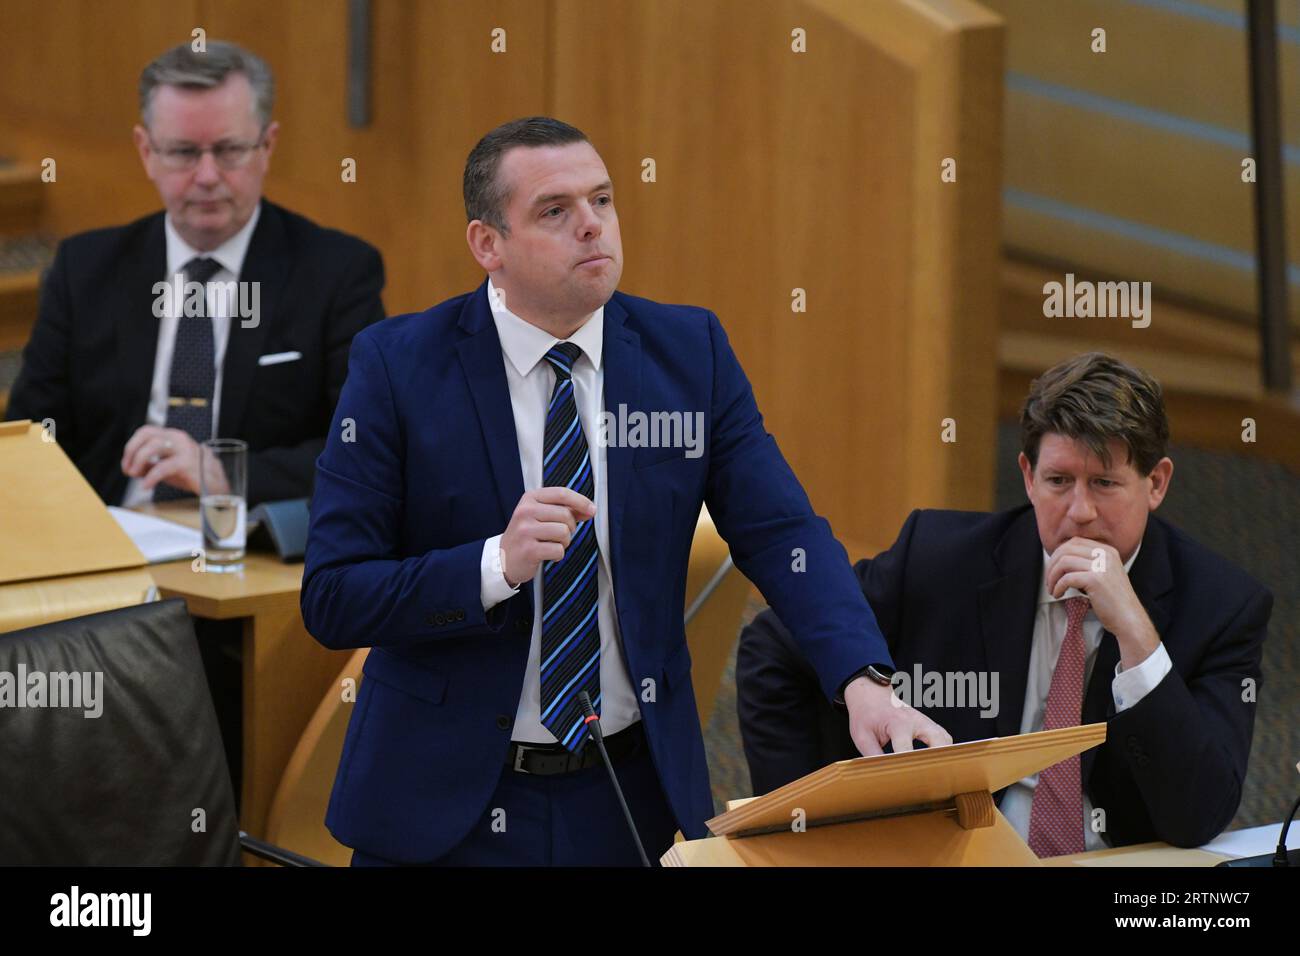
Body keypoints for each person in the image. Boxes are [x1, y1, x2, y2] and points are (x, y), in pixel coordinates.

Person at [300, 116, 951, 866]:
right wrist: (493, 566)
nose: (592, 226)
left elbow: (783, 534)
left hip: (623, 795)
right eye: (555, 210)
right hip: (443, 806)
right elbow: (334, 593)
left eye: (603, 200)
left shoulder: (688, 354)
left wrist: (861, 678)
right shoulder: (397, 367)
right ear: (488, 245)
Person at [737, 352, 1271, 855]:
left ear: (1156, 483)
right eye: (1059, 481)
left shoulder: (1222, 606)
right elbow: (774, 644)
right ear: (1027, 476)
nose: (1080, 511)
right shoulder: (939, 559)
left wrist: (1137, 636)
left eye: (1105, 483)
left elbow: (1198, 815)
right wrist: (803, 835)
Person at [6, 41, 385, 507]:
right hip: (116, 536)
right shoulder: (84, 268)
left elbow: (363, 445)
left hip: (253, 546)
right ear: (146, 151)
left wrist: (224, 472)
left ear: (267, 147)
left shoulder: (337, 271)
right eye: (184, 152)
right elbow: (33, 437)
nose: (207, 176)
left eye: (228, 150)